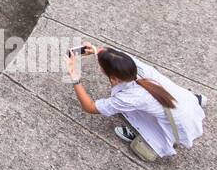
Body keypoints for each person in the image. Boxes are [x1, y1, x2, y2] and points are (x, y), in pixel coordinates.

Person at [68, 45, 206, 162]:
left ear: (114, 78)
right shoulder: (132, 65)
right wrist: (94, 50)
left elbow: (89, 107)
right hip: (185, 102)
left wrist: (75, 78)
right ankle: (198, 100)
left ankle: (143, 136)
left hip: (179, 127)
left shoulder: (130, 97)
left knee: (137, 143)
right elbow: (112, 55)